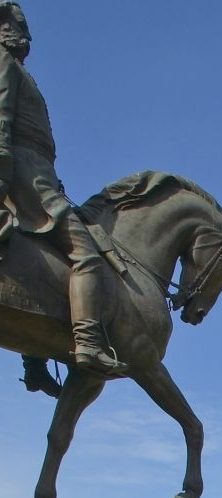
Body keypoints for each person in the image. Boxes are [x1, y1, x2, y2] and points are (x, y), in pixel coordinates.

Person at [0, 2, 124, 395]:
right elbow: (1, 120)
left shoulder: (18, 69)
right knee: (85, 254)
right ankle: (88, 343)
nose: (25, 36)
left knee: (43, 265)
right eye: (17, 27)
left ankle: (34, 363)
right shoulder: (4, 62)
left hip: (38, 174)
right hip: (24, 174)